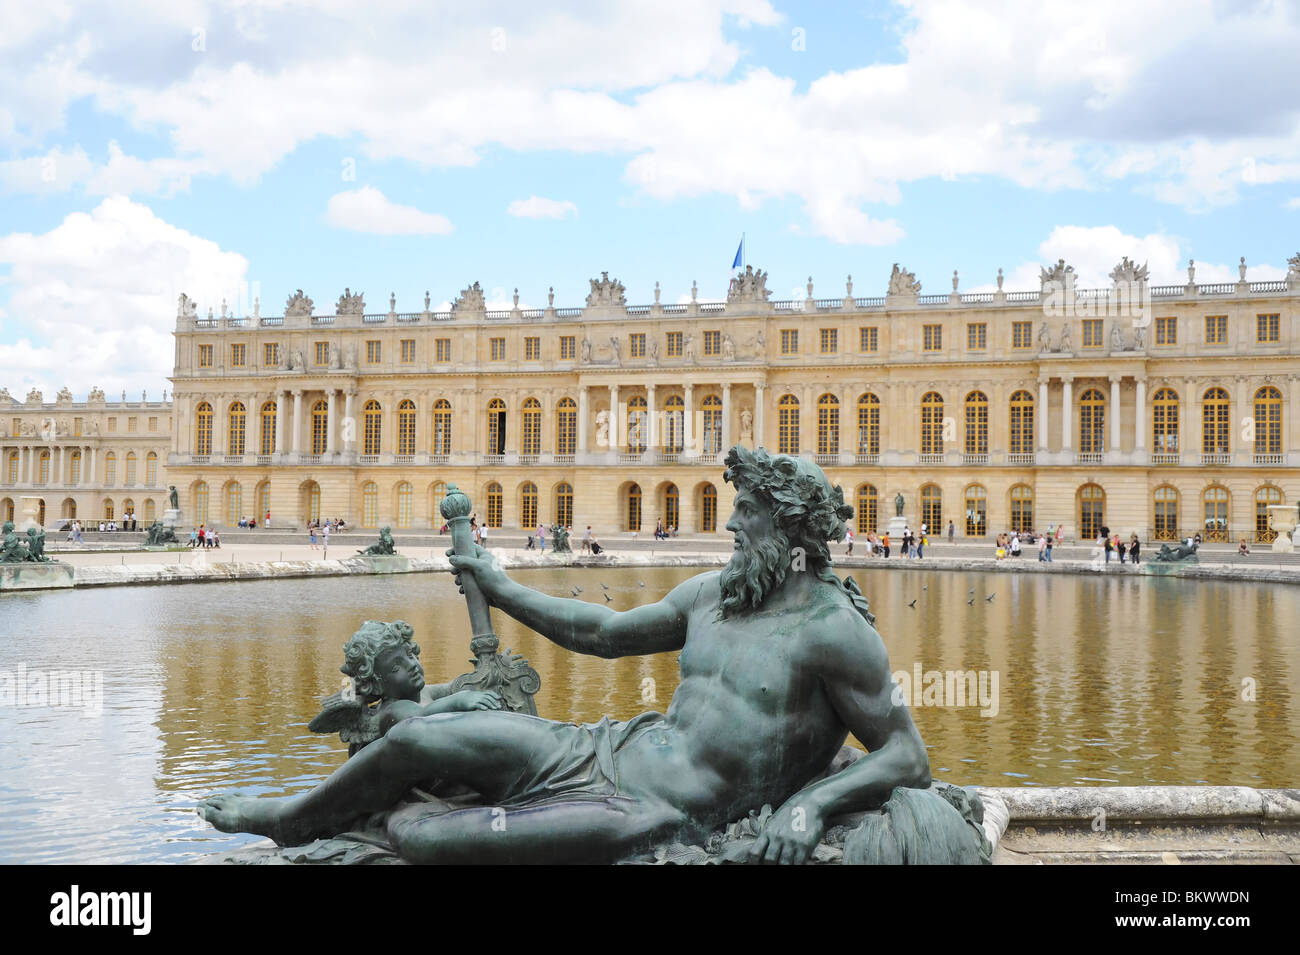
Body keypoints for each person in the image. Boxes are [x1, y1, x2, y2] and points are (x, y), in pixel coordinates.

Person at [198, 446, 932, 865]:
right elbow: (603, 631)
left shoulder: (836, 630)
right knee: (414, 736)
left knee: (419, 835)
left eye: (748, 512)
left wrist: (809, 806)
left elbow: (904, 754)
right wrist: (500, 585)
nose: (733, 521)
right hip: (600, 749)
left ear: (788, 526)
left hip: (648, 809)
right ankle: (290, 817)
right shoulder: (716, 592)